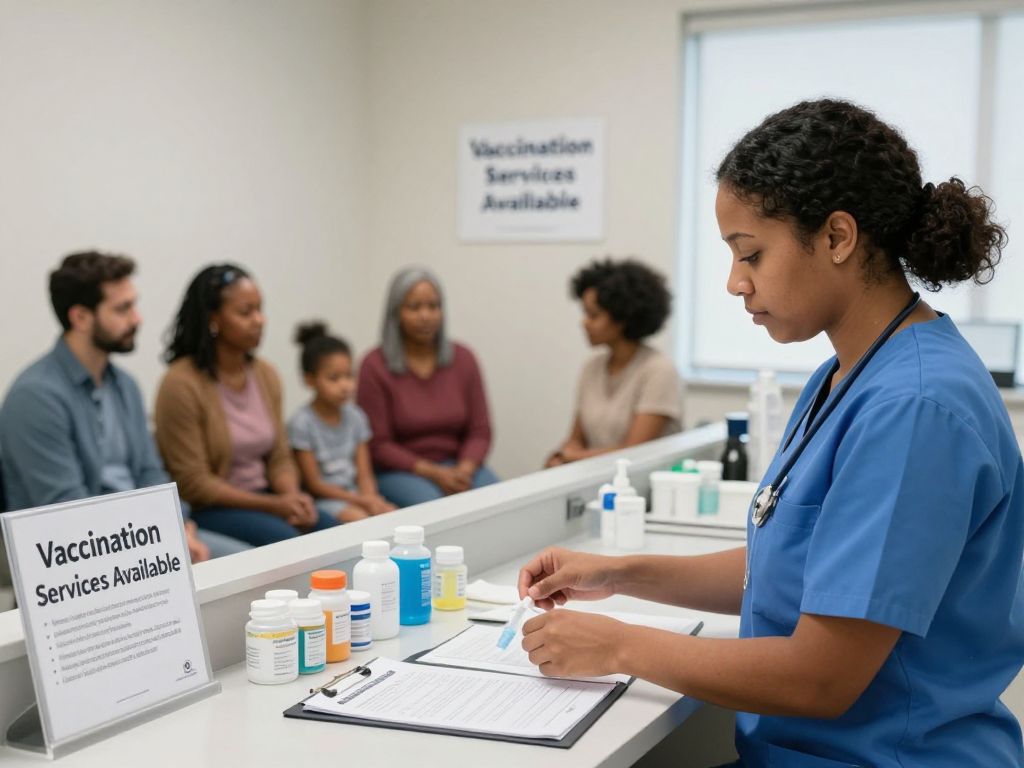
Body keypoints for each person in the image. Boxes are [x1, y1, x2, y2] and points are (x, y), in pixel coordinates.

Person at [516, 100, 1024, 767]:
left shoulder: (915, 408)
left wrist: (617, 645)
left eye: (750, 253)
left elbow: (820, 679)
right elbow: (791, 566)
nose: (735, 282)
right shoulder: (843, 375)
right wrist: (618, 572)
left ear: (837, 237)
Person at [0, 252, 248, 562]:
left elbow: (150, 473)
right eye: (123, 309)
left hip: (141, 538)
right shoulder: (35, 397)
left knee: (250, 565)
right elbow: (66, 512)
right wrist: (159, 541)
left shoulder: (124, 385)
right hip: (79, 557)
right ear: (80, 317)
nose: (137, 318)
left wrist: (179, 525)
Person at [155, 264, 338, 546]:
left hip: (267, 496)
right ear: (214, 319)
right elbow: (195, 483)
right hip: (212, 508)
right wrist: (274, 505)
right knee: (290, 543)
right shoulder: (180, 384)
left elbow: (279, 456)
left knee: (334, 533)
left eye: (260, 309)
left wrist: (291, 496)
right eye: (245, 312)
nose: (259, 320)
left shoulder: (266, 374)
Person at [356, 267, 498, 507]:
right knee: (437, 509)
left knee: (498, 500)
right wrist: (434, 473)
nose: (426, 315)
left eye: (433, 306)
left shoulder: (464, 358)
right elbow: (378, 444)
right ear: (395, 313)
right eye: (414, 307)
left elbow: (480, 430)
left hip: (459, 464)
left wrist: (464, 469)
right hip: (401, 471)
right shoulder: (374, 365)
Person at [545, 258, 682, 468]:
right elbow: (576, 440)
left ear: (622, 318)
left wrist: (570, 458)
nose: (584, 322)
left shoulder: (659, 370)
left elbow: (634, 451)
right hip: (593, 477)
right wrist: (559, 457)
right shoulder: (592, 367)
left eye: (593, 315)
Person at [288, 321, 396, 523]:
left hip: (356, 494)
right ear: (310, 380)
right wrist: (361, 501)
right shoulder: (302, 423)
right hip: (325, 501)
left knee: (391, 516)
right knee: (360, 520)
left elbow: (365, 474)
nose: (345, 385)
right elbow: (314, 484)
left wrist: (371, 498)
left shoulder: (356, 417)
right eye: (334, 378)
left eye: (349, 376)